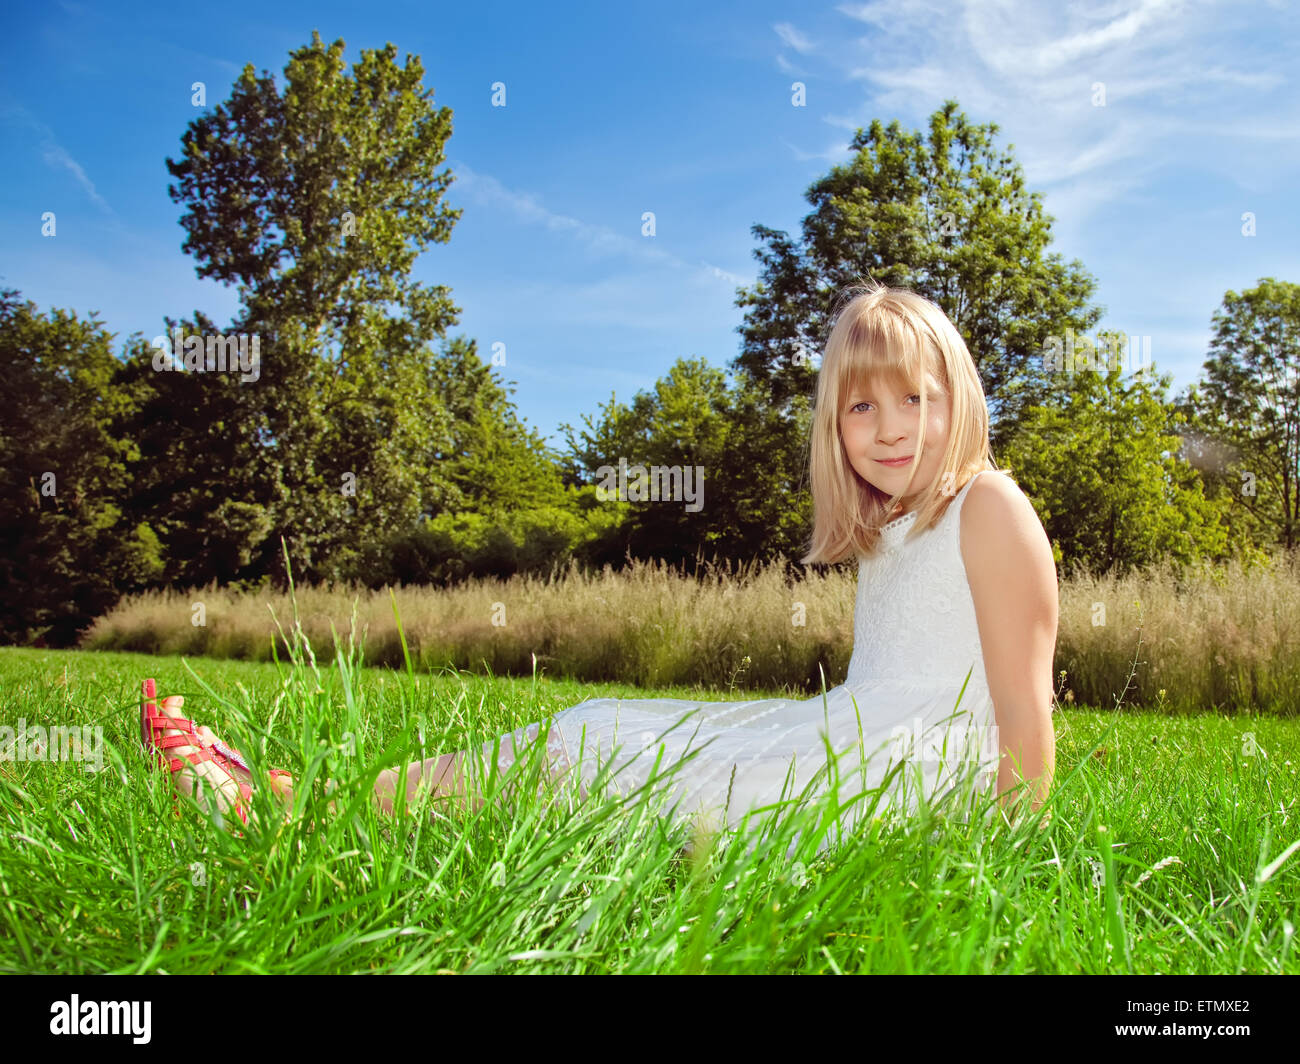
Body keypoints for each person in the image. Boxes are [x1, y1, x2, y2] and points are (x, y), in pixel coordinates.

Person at [140, 281, 1059, 852]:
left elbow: (1023, 714)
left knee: (611, 767)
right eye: (861, 408)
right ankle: (291, 800)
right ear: (834, 428)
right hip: (849, 744)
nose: (891, 426)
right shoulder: (894, 531)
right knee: (592, 729)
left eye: (914, 397)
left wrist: (1002, 849)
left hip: (898, 782)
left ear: (958, 398)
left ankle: (288, 807)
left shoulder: (990, 507)